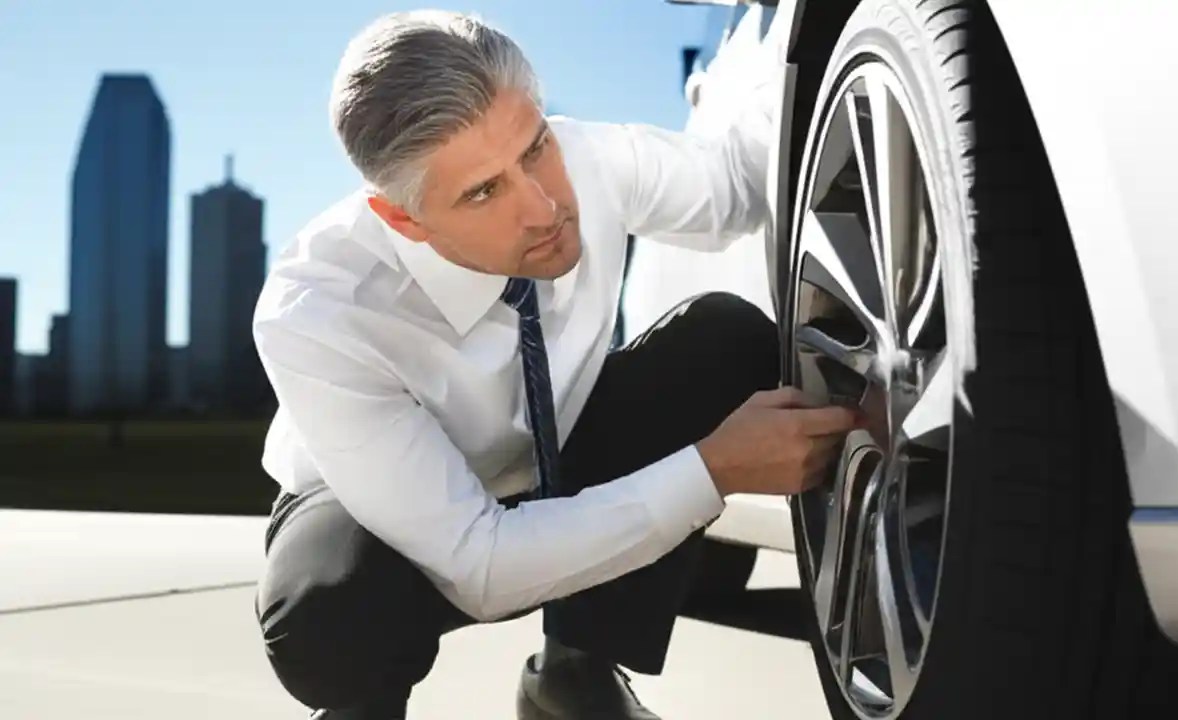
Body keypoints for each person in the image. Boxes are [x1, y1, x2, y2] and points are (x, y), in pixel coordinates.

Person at [252, 10, 863, 719]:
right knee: (327, 612)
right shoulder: (319, 309)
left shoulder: (589, 157)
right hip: (401, 525)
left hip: (566, 457)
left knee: (722, 339)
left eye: (535, 146)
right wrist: (715, 469)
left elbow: (733, 186)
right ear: (406, 221)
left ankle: (575, 677)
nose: (544, 208)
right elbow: (478, 566)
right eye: (484, 192)